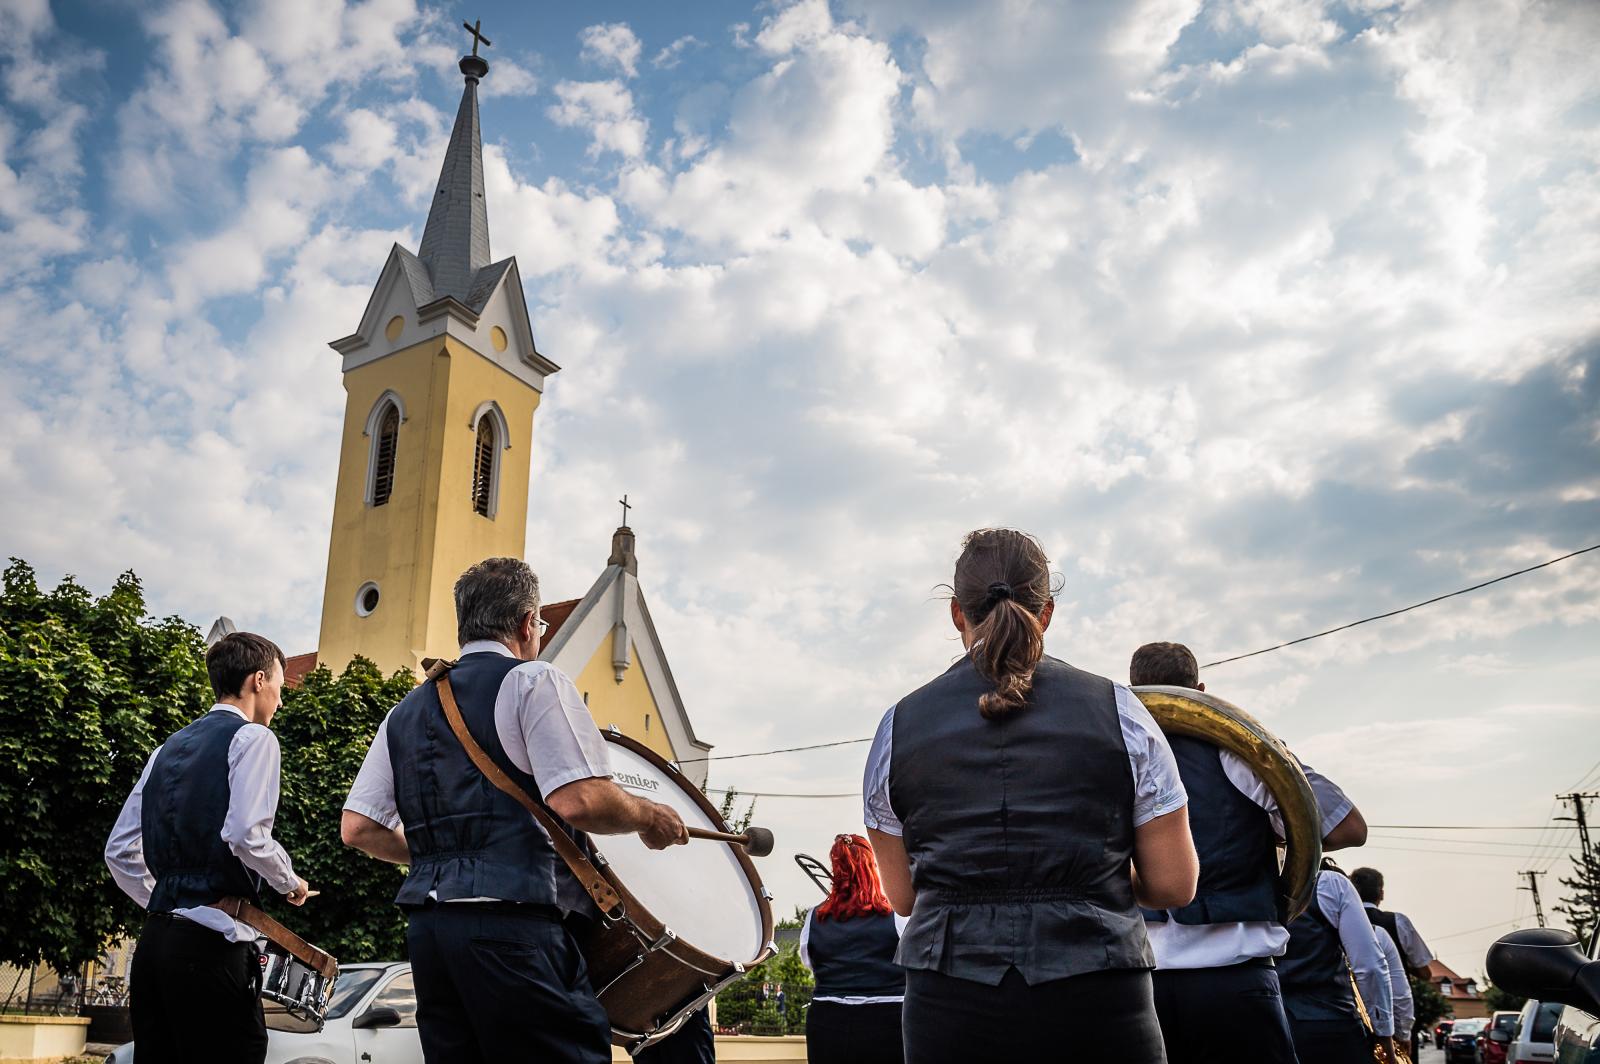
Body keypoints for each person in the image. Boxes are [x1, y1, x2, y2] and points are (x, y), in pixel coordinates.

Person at [865, 528, 1199, 1064]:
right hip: (1100, 998)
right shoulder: (1123, 712)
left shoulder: (896, 728)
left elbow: (903, 897)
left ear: (957, 614)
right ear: (1047, 612)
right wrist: (1094, 879)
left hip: (950, 1006)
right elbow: (1174, 884)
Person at [339, 557, 688, 1064]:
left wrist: (447, 858)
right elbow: (580, 799)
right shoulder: (533, 682)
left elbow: (358, 829)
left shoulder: (403, 712)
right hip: (513, 929)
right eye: (540, 626)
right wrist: (648, 815)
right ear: (528, 623)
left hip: (432, 936)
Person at [1129, 640, 1369, 1064]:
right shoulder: (1243, 749)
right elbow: (1348, 828)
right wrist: (1267, 831)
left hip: (1135, 987)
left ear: (1132, 690)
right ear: (1200, 689)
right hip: (1235, 986)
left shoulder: (1111, 755)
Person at [104, 632, 313, 1064]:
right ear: (258, 680)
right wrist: (289, 881)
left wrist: (173, 901)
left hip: (155, 945)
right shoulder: (255, 739)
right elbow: (244, 834)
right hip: (211, 950)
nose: (280, 699)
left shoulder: (164, 749)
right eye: (278, 685)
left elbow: (119, 850)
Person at [799, 833, 907, 1064]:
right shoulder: (897, 916)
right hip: (888, 1022)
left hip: (828, 1022)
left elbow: (809, 961)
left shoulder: (813, 918)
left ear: (835, 869)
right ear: (873, 866)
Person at [1280, 859, 1396, 1064]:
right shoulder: (1331, 883)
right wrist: (1384, 1033)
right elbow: (1370, 967)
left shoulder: (1244, 886)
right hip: (1331, 1025)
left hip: (1267, 1025)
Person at [1350, 867, 1435, 979]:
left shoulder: (1339, 921)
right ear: (1381, 894)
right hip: (1394, 993)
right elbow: (1425, 973)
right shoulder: (1398, 922)